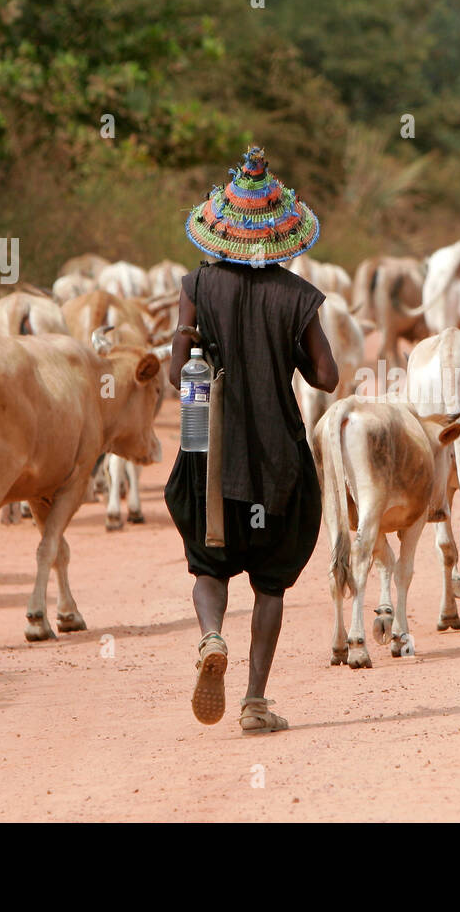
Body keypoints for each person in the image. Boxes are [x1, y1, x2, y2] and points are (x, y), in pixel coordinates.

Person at [165, 146, 338, 735]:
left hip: (206, 450)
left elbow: (175, 373)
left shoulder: (196, 285)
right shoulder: (297, 296)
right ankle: (254, 702)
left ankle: (212, 636)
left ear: (223, 228)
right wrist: (285, 342)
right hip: (274, 461)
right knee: (269, 581)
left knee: (208, 564)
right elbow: (327, 377)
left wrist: (202, 345)